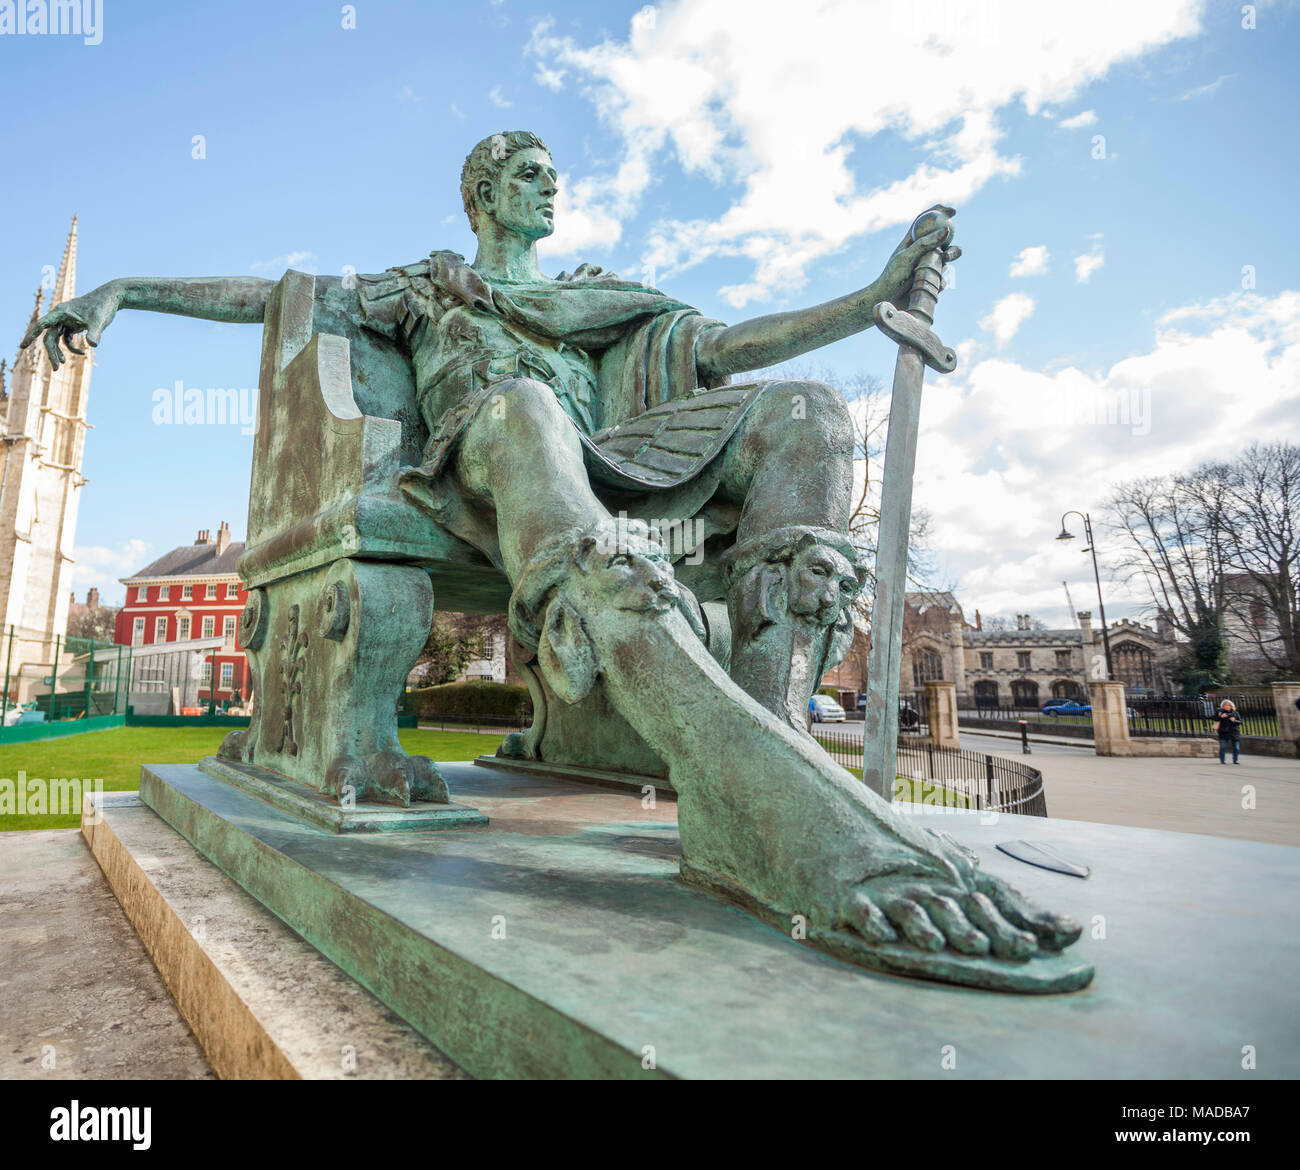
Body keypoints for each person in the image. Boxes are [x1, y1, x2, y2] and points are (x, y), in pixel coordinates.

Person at [21, 130, 1095, 991]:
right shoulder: (428, 286)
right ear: (482, 195)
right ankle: (719, 742)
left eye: (553, 177)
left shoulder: (596, 302)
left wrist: (866, 302)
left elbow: (729, 348)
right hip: (475, 459)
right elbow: (273, 299)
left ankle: (764, 763)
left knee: (808, 413)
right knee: (527, 402)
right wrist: (123, 287)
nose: (550, 190)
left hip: (611, 465)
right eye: (530, 176)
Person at [1213, 699, 1243, 764]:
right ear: (1222, 706)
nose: (1227, 706)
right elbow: (1214, 718)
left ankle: (1235, 760)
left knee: (1236, 748)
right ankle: (1222, 760)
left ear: (1231, 706)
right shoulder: (1220, 712)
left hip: (1234, 732)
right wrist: (1221, 717)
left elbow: (1240, 722)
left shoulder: (1235, 713)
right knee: (1223, 747)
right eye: (1225, 705)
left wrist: (1234, 721)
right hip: (1223, 732)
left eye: (1228, 705)